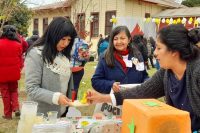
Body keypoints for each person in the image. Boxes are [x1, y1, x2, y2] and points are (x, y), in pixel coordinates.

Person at [87, 24, 200, 132]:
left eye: (159, 48)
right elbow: (141, 91)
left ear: (174, 51)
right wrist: (102, 98)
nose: (154, 53)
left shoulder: (196, 72)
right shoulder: (166, 72)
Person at [25, 17, 77, 117]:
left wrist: (71, 103)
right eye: (63, 39)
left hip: (62, 112)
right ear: (53, 35)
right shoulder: (36, 54)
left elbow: (67, 84)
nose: (66, 43)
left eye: (69, 40)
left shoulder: (63, 55)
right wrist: (56, 97)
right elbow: (31, 88)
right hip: (41, 115)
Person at [91, 26, 149, 94]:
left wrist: (147, 82)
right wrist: (110, 85)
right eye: (115, 39)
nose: (119, 41)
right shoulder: (105, 57)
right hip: (112, 101)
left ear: (129, 39)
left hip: (134, 100)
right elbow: (96, 81)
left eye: (122, 38)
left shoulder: (138, 55)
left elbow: (144, 76)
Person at [0, 25, 22, 119]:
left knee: (5, 94)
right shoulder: (18, 44)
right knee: (14, 91)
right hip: (14, 72)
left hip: (2, 73)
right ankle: (16, 107)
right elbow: (20, 58)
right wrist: (19, 68)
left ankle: (8, 114)